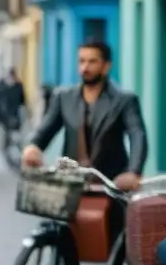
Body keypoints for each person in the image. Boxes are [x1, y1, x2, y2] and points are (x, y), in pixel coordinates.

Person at [21, 40, 147, 191]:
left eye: (92, 62)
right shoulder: (64, 97)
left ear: (106, 66)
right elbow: (46, 129)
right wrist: (33, 147)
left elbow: (137, 135)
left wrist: (133, 171)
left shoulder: (124, 100)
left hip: (110, 184)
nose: (85, 67)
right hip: (70, 181)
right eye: (81, 61)